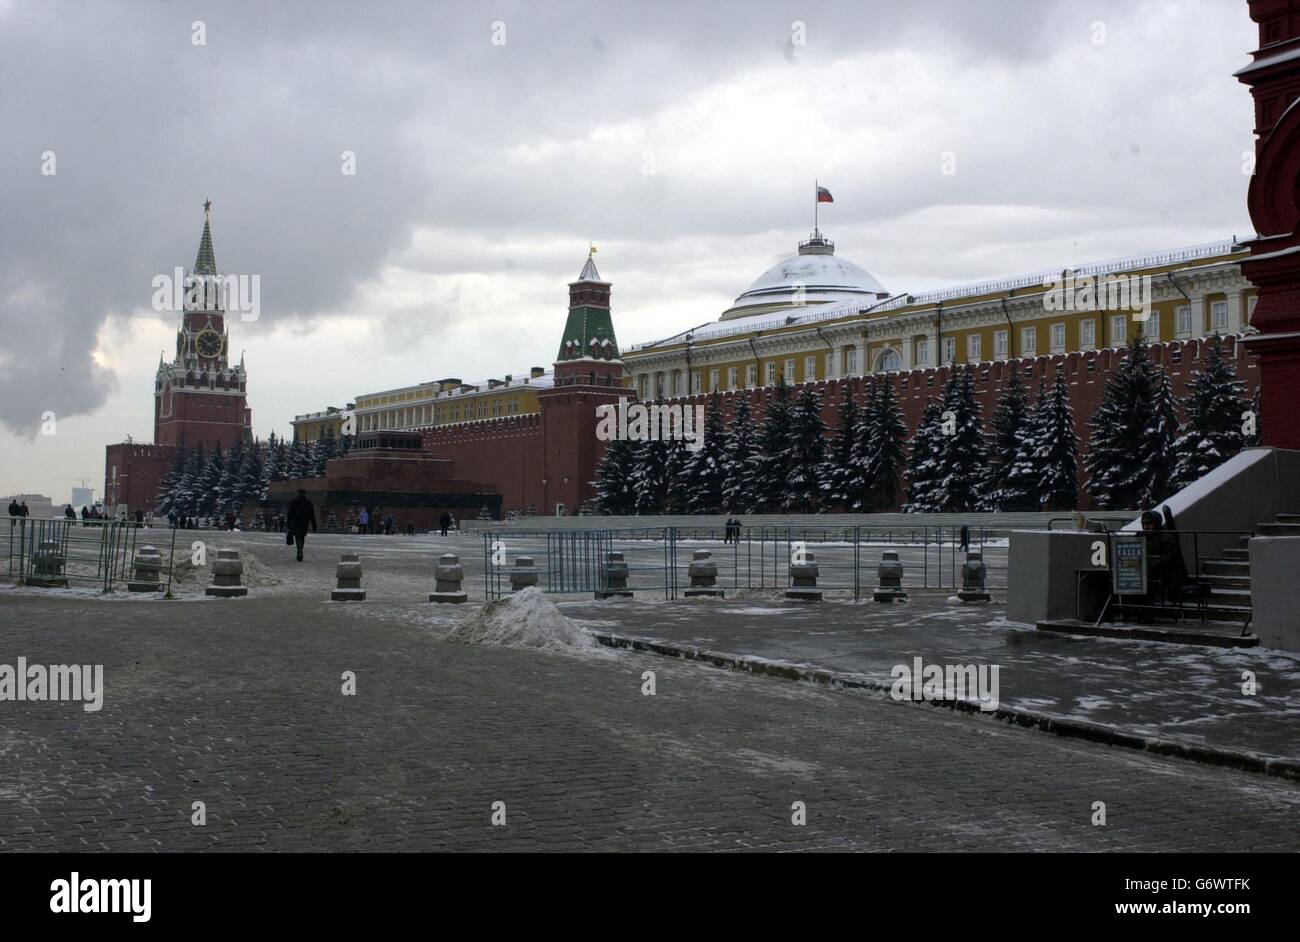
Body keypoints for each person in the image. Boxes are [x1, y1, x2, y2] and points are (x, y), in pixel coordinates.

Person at [286, 489, 317, 562]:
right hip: (304, 523)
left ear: (298, 494)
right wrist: (314, 525)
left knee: (297, 537)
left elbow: (289, 514)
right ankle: (300, 551)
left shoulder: (293, 502)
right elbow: (312, 515)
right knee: (302, 537)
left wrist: (288, 524)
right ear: (304, 494)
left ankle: (299, 551)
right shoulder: (308, 503)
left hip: (295, 523)